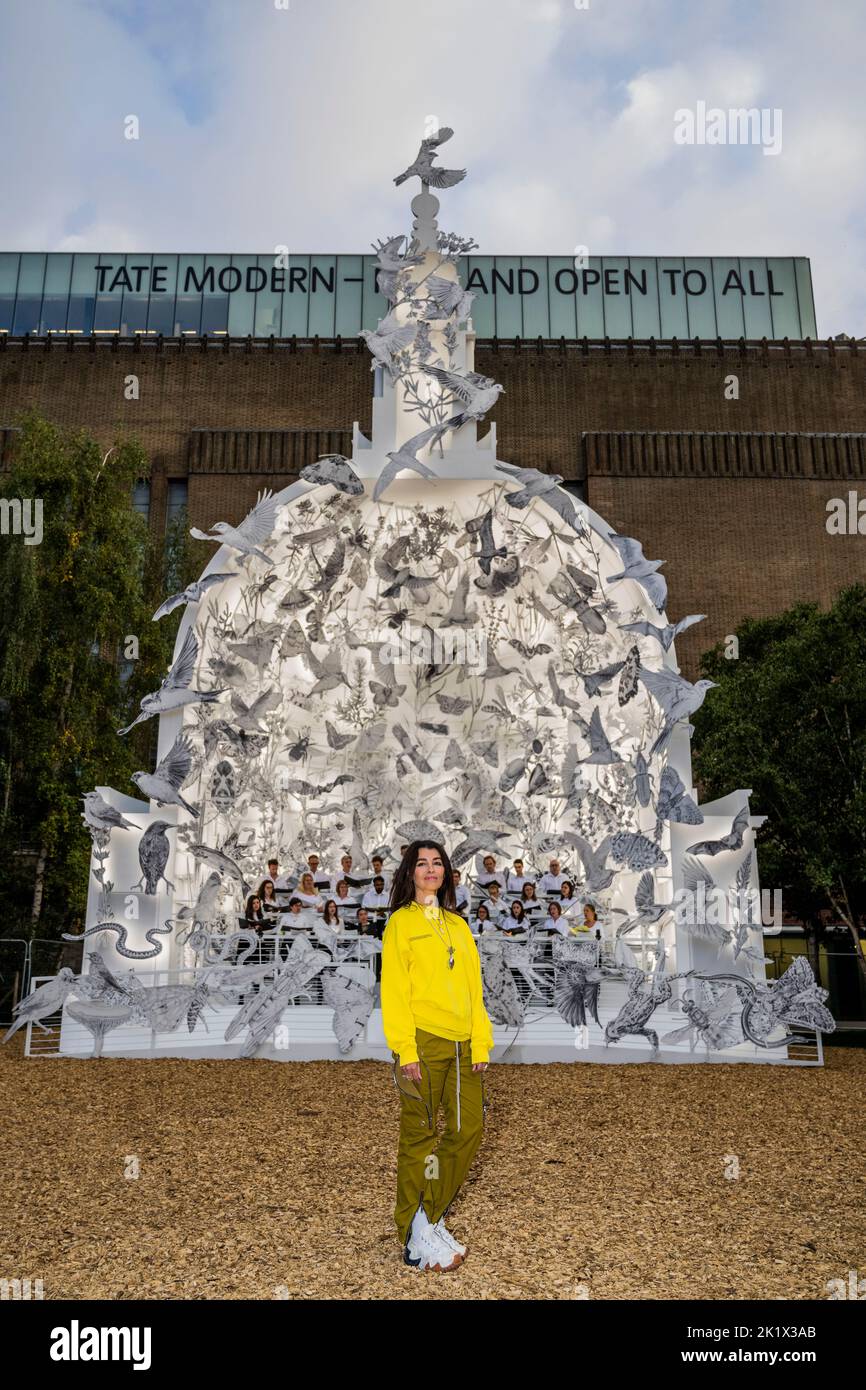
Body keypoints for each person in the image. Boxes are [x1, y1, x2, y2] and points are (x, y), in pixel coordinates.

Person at [382, 840, 493, 1273]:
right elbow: (394, 992)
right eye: (422, 863)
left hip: (464, 1046)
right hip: (423, 1042)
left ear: (446, 872)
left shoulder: (459, 926)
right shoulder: (400, 924)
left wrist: (480, 1041)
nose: (430, 869)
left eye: (437, 863)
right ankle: (413, 1234)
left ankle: (428, 1216)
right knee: (420, 1137)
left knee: (468, 1129)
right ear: (410, 873)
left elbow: (473, 988)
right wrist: (404, 1048)